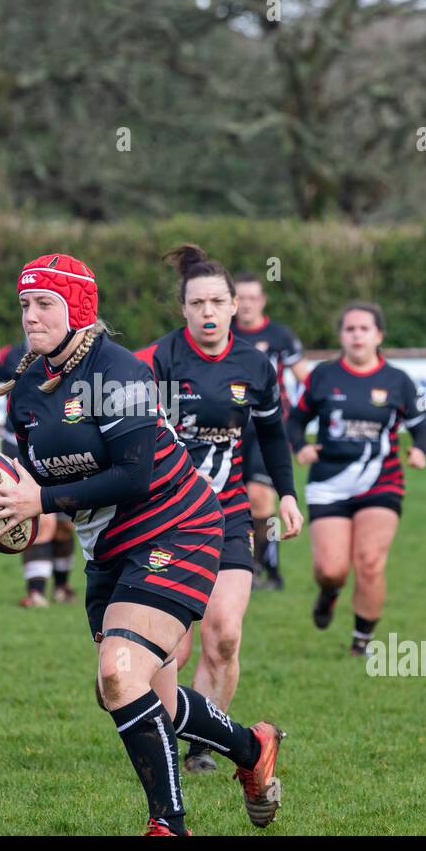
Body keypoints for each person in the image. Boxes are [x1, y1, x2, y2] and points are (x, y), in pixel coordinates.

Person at [0, 253, 285, 835]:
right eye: (25, 305)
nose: (31, 316)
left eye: (45, 303)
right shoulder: (24, 390)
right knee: (138, 694)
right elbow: (35, 476)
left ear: (79, 308)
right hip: (108, 550)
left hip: (179, 526)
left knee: (120, 673)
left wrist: (38, 503)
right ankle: (252, 747)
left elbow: (135, 474)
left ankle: (167, 824)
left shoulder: (117, 371)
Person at [136, 245, 302, 775]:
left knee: (224, 634)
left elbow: (274, 437)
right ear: (183, 309)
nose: (208, 312)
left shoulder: (255, 365)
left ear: (236, 307)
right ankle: (160, 727)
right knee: (171, 651)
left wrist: (288, 494)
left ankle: (202, 746)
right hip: (162, 518)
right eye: (197, 302)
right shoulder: (157, 361)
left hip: (226, 515)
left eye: (217, 302)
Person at [287, 302, 426, 656]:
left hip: (381, 481)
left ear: (378, 335)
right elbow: (294, 420)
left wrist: (420, 450)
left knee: (369, 561)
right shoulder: (323, 376)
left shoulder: (398, 380)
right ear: (341, 336)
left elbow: (421, 423)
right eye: (350, 329)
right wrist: (300, 447)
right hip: (329, 482)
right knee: (331, 569)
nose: (356, 335)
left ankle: (361, 642)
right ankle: (329, 593)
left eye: (364, 328)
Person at [0, 337, 76, 607]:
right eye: (27, 307)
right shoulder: (13, 354)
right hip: (20, 445)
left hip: (65, 447)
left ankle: (62, 587)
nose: (33, 319)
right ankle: (36, 592)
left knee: (65, 524)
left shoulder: (75, 353)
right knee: (40, 517)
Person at [232, 273, 310, 590]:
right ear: (233, 303)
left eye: (254, 298)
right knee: (236, 499)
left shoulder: (279, 335)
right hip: (230, 426)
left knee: (261, 497)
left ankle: (259, 564)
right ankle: (255, 566)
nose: (248, 304)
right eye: (242, 298)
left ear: (262, 301)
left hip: (269, 426)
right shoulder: (222, 335)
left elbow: (306, 378)